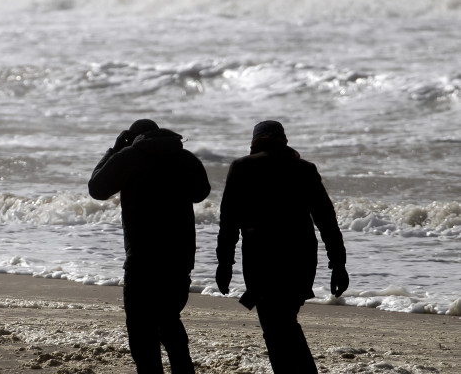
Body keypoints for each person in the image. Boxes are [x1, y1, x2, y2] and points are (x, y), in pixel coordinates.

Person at [215, 120, 349, 374]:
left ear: (255, 141)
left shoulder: (243, 167)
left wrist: (225, 263)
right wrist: (338, 264)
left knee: (276, 326)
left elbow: (228, 221)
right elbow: (327, 220)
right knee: (284, 321)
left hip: (261, 258)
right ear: (283, 140)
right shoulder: (304, 169)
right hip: (301, 257)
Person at [89, 119, 211, 374]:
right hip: (179, 257)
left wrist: (114, 150)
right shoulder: (186, 158)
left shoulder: (128, 157)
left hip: (142, 257)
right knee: (168, 319)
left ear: (132, 138)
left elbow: (97, 189)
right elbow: (201, 192)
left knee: (140, 327)